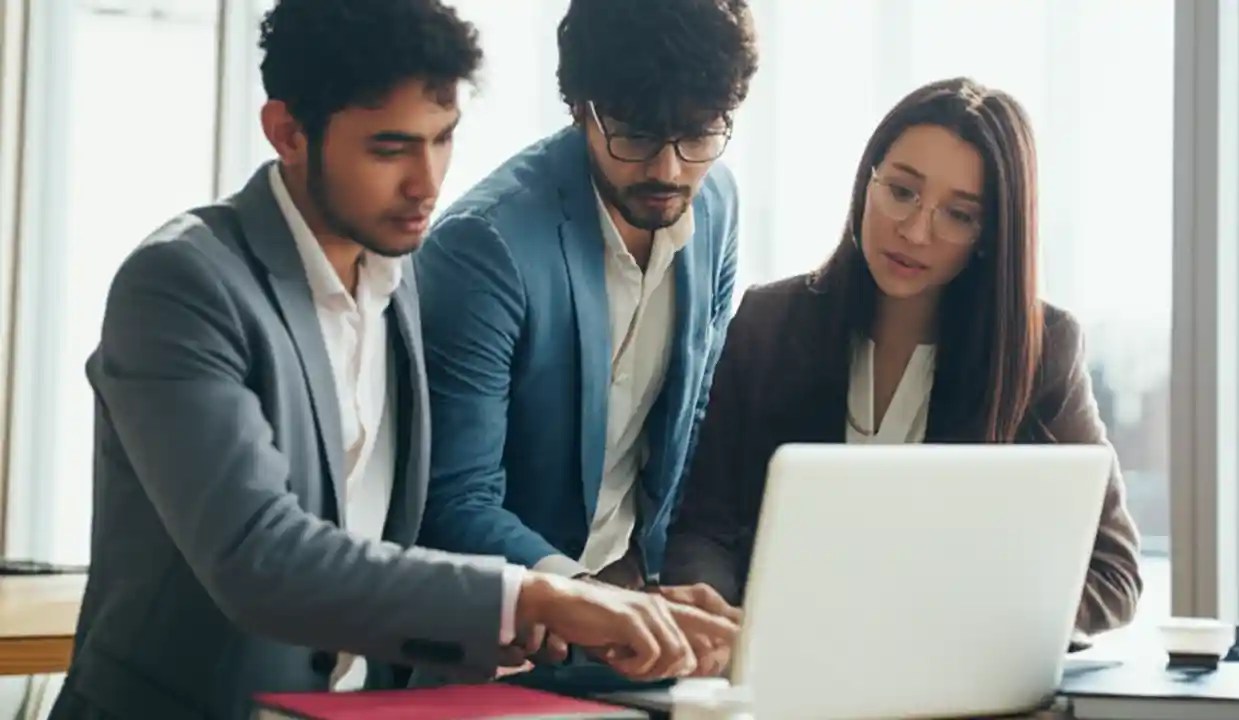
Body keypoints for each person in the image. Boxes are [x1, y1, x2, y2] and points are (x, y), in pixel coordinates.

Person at [50, 2, 735, 718]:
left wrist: (556, 615)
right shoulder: (182, 287)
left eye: (442, 141)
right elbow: (262, 556)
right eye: (389, 148)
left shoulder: (395, 280)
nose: (426, 182)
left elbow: (394, 540)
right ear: (287, 132)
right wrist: (536, 594)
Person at [662, 78, 1144, 638]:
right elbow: (704, 529)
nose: (915, 231)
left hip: (954, 678)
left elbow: (1113, 573)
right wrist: (714, 611)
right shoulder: (771, 322)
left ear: (990, 233)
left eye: (959, 214)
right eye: (902, 191)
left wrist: (968, 628)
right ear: (868, 181)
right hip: (782, 663)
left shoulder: (1041, 350)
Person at [415, 0, 757, 624]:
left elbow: (692, 420)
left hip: (636, 602)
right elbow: (453, 501)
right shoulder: (485, 247)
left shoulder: (716, 205)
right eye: (636, 133)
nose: (668, 169)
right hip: (508, 633)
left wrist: (670, 590)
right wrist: (590, 601)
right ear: (580, 108)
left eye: (700, 133)